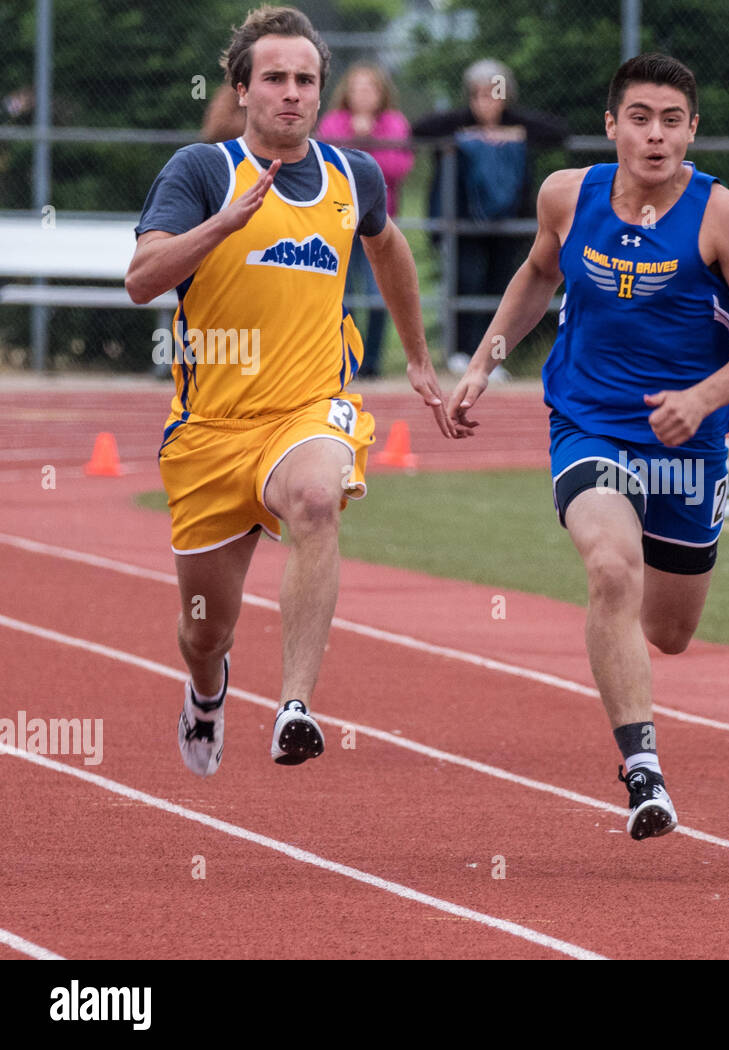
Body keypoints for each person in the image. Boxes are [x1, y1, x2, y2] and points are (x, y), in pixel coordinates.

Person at [446, 53, 729, 838]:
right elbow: (538, 276)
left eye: (672, 121)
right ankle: (643, 770)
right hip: (589, 420)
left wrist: (703, 399)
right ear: (611, 126)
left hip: (686, 441)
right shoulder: (567, 195)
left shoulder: (724, 217)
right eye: (639, 118)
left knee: (669, 632)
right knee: (610, 568)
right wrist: (482, 364)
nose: (655, 135)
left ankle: (626, 649)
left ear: (693, 131)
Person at [126, 4, 457, 778]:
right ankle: (208, 693)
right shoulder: (203, 171)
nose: (292, 93)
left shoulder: (354, 174)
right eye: (274, 77)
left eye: (306, 79)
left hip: (309, 409)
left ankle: (295, 707)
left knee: (315, 500)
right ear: (241, 88)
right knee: (205, 629)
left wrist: (416, 358)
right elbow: (143, 279)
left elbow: (389, 248)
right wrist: (221, 225)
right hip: (209, 429)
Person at [413, 60, 567, 369]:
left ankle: (491, 356)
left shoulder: (515, 122)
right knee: (465, 281)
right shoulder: (458, 123)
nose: (487, 101)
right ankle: (460, 352)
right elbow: (418, 129)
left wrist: (512, 132)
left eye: (495, 93)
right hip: (465, 222)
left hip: (506, 223)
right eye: (480, 94)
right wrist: (472, 133)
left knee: (501, 287)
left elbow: (558, 132)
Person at [318, 63, 415, 376]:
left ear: (381, 93)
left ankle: (371, 361)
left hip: (378, 224)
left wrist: (367, 137)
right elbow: (327, 167)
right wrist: (356, 137)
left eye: (370, 88)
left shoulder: (394, 123)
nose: (363, 94)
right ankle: (345, 358)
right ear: (347, 92)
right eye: (357, 88)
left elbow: (397, 169)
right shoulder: (333, 122)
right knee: (341, 293)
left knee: (378, 293)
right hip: (338, 223)